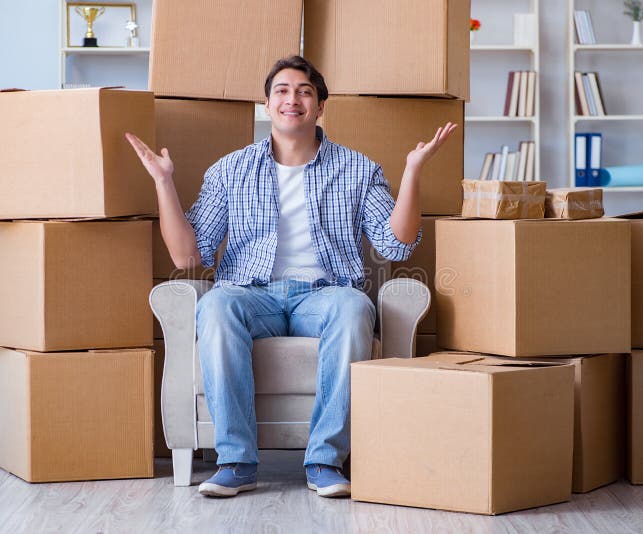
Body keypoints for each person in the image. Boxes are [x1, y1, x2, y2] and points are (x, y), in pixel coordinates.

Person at [126, 55, 456, 499]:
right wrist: (164, 183)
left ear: (320, 106)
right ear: (267, 104)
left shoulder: (359, 169)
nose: (292, 99)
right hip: (249, 295)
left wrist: (413, 170)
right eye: (281, 90)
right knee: (216, 306)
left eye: (304, 91)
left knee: (354, 306)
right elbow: (189, 255)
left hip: (325, 296)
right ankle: (236, 462)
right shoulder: (231, 170)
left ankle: (324, 461)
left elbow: (395, 245)